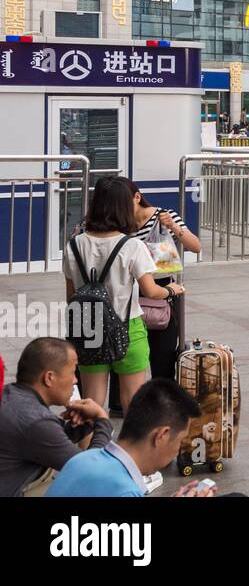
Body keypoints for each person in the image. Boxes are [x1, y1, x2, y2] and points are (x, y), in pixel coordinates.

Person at [63, 176, 183, 414]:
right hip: (128, 328)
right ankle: (127, 451)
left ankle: (90, 450)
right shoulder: (131, 246)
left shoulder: (74, 245)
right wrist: (171, 289)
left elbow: (71, 296)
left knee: (91, 405)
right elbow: (151, 291)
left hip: (88, 328)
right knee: (132, 405)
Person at [47, 379, 211, 498]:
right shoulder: (125, 491)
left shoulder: (82, 459)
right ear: (162, 435)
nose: (177, 451)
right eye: (180, 441)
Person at [0, 338, 114, 497]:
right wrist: (103, 421)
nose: (75, 380)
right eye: (73, 372)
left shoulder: (11, 393)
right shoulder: (37, 422)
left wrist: (85, 425)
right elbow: (90, 472)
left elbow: (45, 443)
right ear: (49, 378)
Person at [124, 179, 200, 382]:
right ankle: (120, 405)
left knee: (162, 355)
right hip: (129, 292)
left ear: (137, 197)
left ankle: (163, 398)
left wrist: (174, 226)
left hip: (163, 290)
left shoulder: (163, 216)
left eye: (124, 203)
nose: (120, 209)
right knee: (127, 355)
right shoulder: (120, 224)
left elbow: (195, 246)